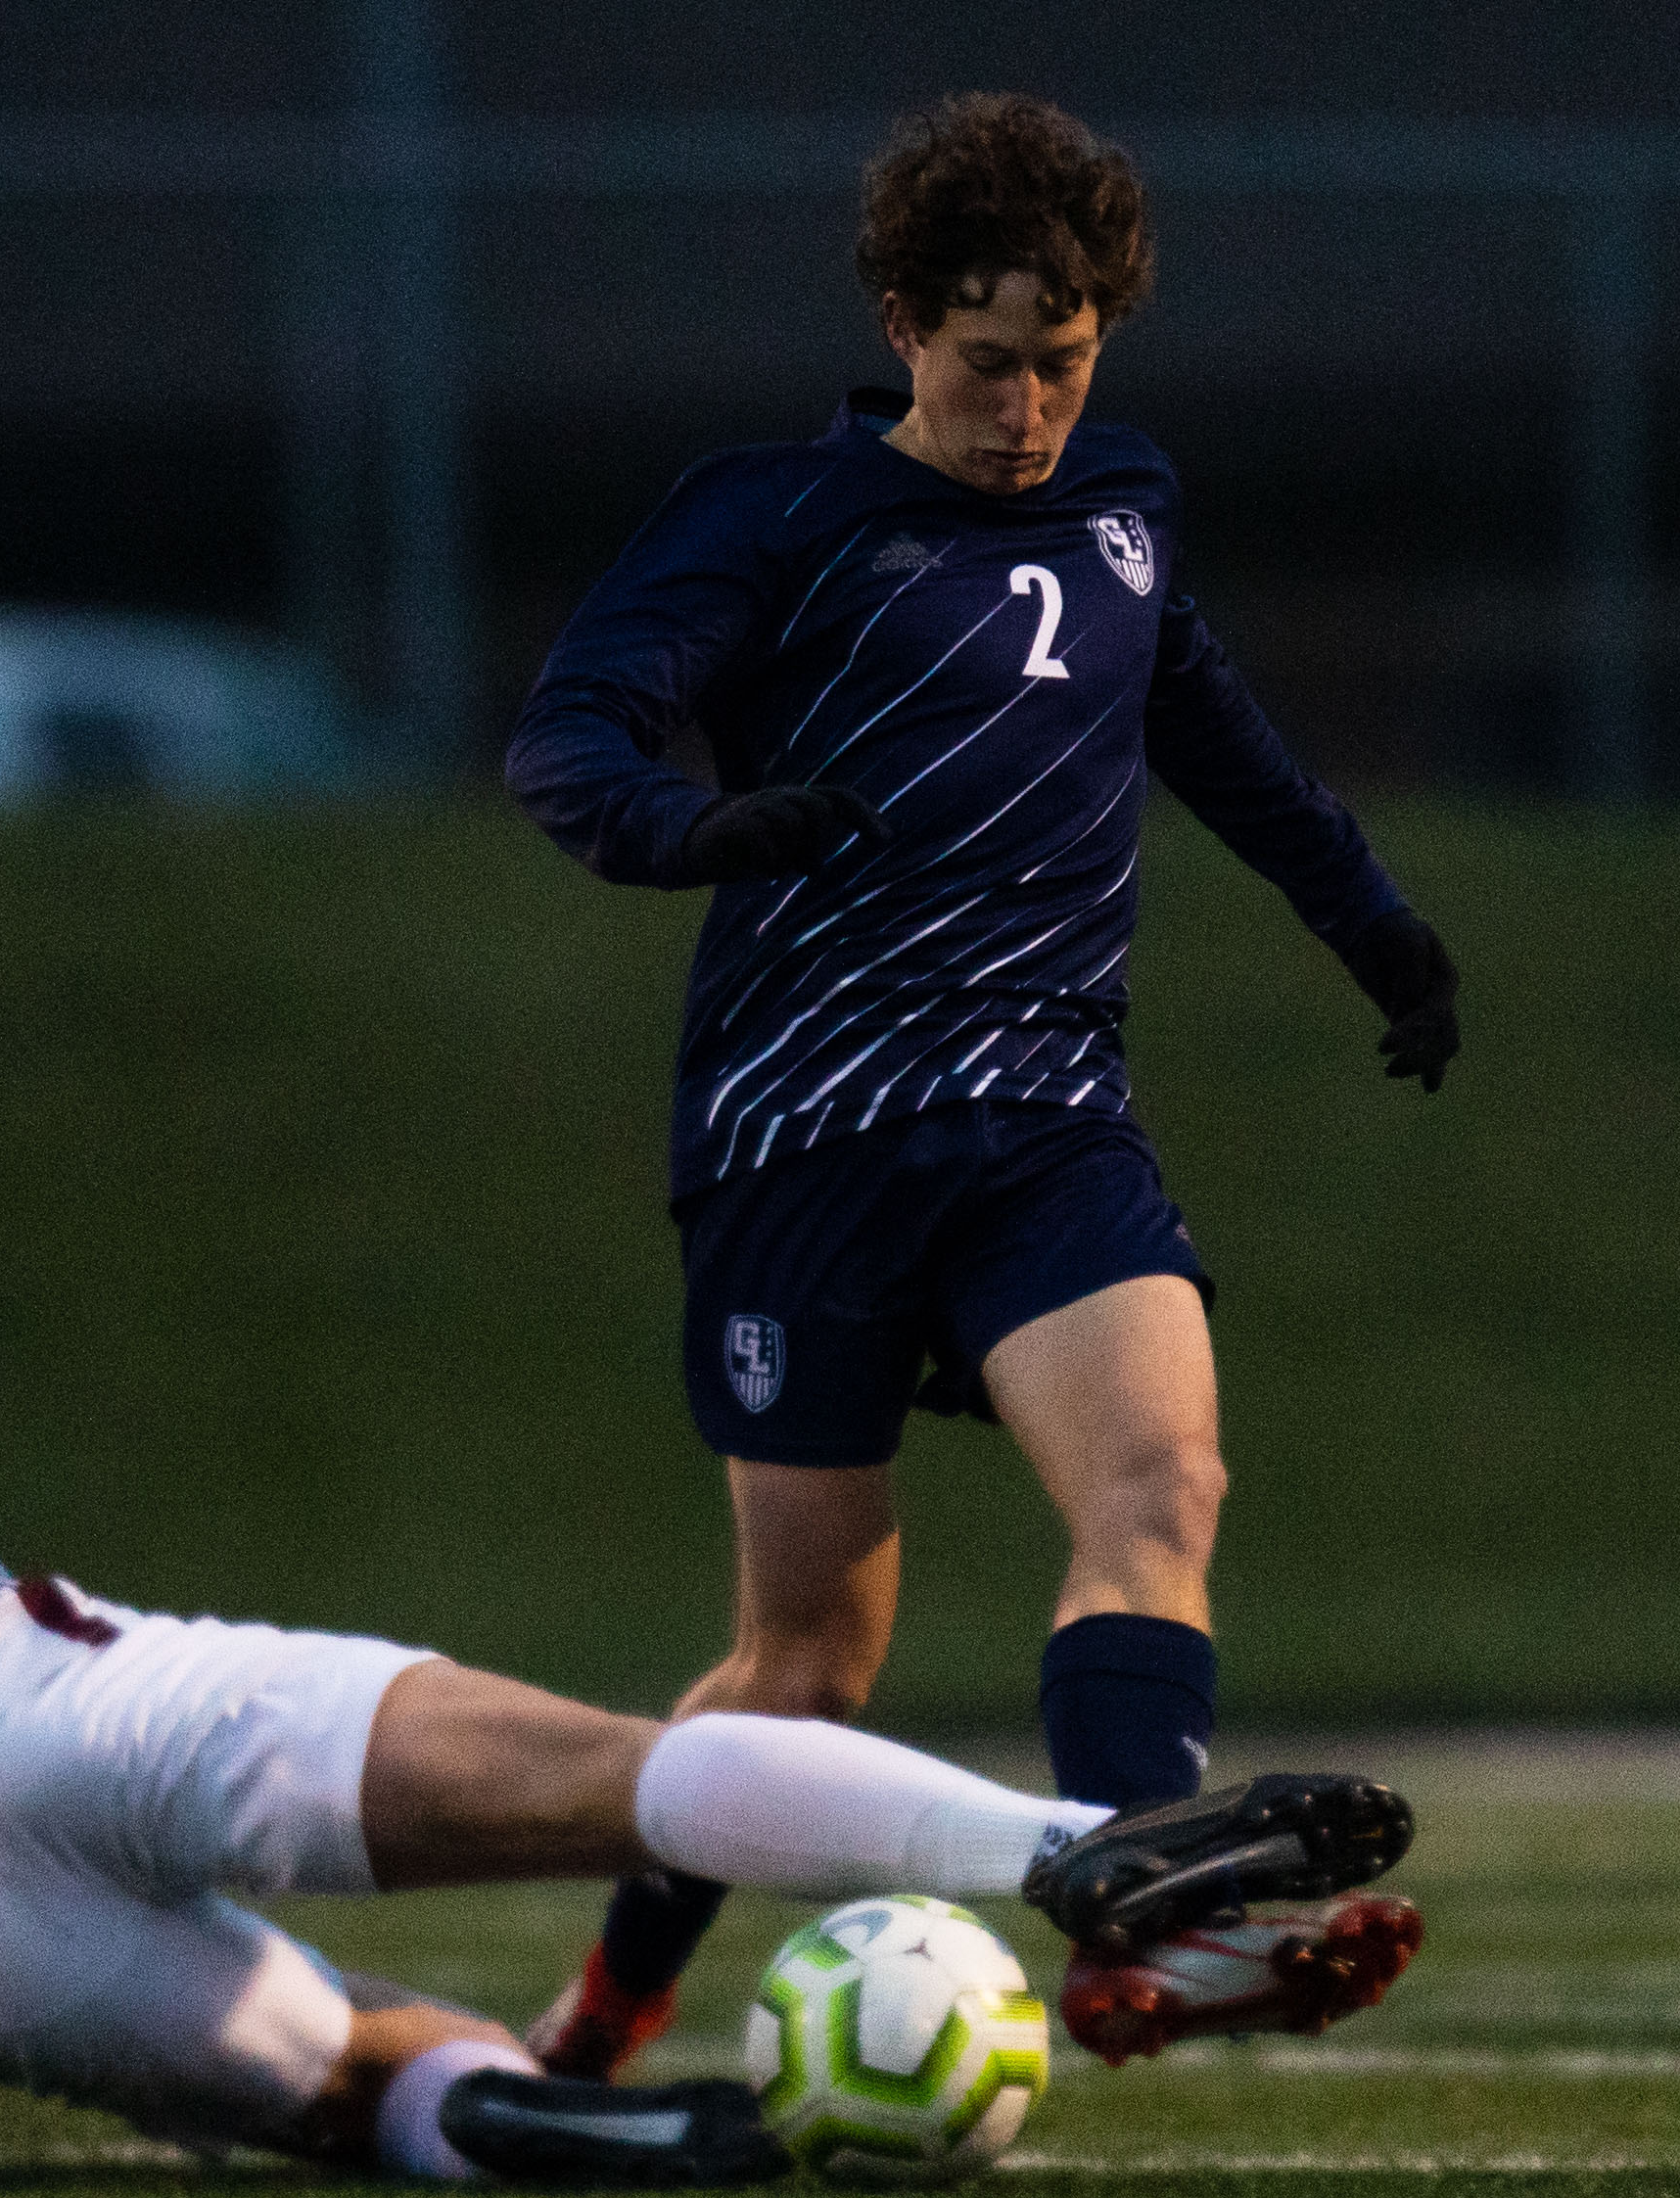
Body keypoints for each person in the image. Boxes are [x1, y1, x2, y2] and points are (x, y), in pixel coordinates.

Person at [0, 1042, 1414, 2189]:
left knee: (359, 2086)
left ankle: (612, 2119)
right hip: (55, 1709)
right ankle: (1063, 1851)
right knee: (604, 1773)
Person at [500, 92, 1459, 2081]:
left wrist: (1375, 924)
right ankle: (613, 1993)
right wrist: (705, 829)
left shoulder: (1124, 508)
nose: (1030, 406)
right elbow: (567, 739)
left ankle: (1137, 1925)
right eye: (990, 361)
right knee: (807, 1667)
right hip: (807, 1135)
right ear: (900, 321)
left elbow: (1220, 740)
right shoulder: (774, 514)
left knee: (1162, 1479)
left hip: (1043, 1123)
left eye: (1068, 363)